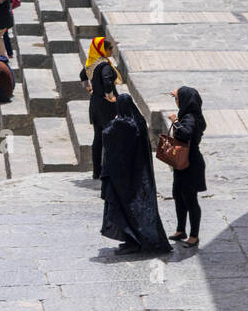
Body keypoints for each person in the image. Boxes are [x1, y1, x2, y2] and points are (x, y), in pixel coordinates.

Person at [100, 93, 171, 254]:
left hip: (123, 178)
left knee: (125, 209)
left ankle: (135, 242)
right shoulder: (138, 121)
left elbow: (106, 134)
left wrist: (115, 120)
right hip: (138, 176)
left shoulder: (122, 124)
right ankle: (133, 240)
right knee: (135, 210)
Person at [167, 86, 207, 246]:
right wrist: (178, 92)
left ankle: (194, 235)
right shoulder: (194, 114)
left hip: (191, 164)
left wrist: (175, 121)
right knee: (178, 195)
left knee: (190, 199)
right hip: (182, 162)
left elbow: (185, 133)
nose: (176, 102)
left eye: (177, 99)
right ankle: (180, 229)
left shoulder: (189, 117)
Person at [83, 37, 122, 179]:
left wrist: (90, 89)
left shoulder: (92, 62)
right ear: (102, 50)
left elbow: (82, 75)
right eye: (110, 48)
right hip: (106, 106)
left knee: (98, 137)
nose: (112, 50)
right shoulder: (105, 65)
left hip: (95, 104)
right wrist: (110, 95)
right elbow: (106, 80)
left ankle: (97, 171)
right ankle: (108, 170)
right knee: (110, 136)